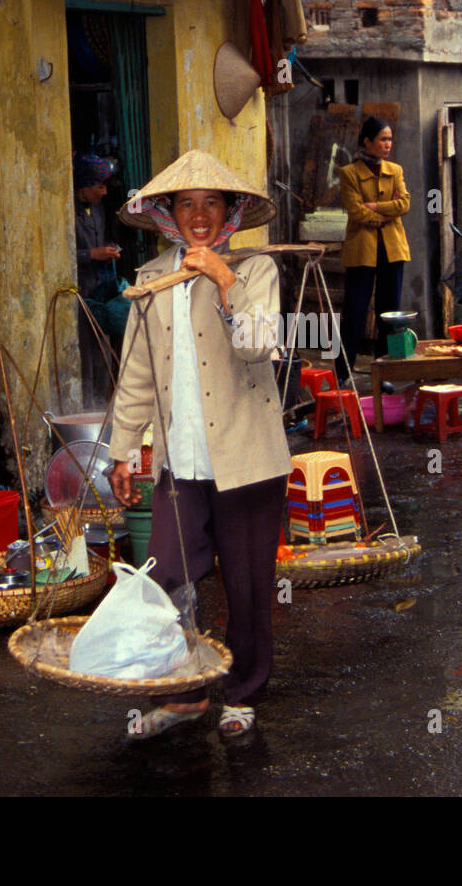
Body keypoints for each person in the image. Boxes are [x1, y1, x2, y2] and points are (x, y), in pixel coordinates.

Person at [107, 150, 291, 740]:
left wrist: (224, 279)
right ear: (168, 214)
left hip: (246, 459)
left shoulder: (256, 269)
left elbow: (259, 346)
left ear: (231, 211)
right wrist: (121, 448)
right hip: (179, 460)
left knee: (247, 582)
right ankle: (183, 694)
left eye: (212, 203)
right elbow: (136, 370)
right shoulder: (152, 281)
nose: (200, 215)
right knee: (166, 576)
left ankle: (241, 693)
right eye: (187, 204)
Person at [337, 116, 410, 384]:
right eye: (382, 139)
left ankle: (385, 372)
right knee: (355, 312)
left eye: (390, 139)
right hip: (362, 251)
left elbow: (404, 204)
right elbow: (355, 211)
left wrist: (377, 208)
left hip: (393, 249)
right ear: (367, 141)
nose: (387, 144)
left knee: (389, 313)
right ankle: (343, 372)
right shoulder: (349, 173)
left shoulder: (396, 170)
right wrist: (384, 215)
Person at [74, 152, 121, 288]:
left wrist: (109, 250)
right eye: (100, 187)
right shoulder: (66, 214)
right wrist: (91, 254)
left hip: (97, 285)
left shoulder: (97, 208)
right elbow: (60, 257)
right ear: (84, 186)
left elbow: (99, 240)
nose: (105, 192)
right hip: (78, 288)